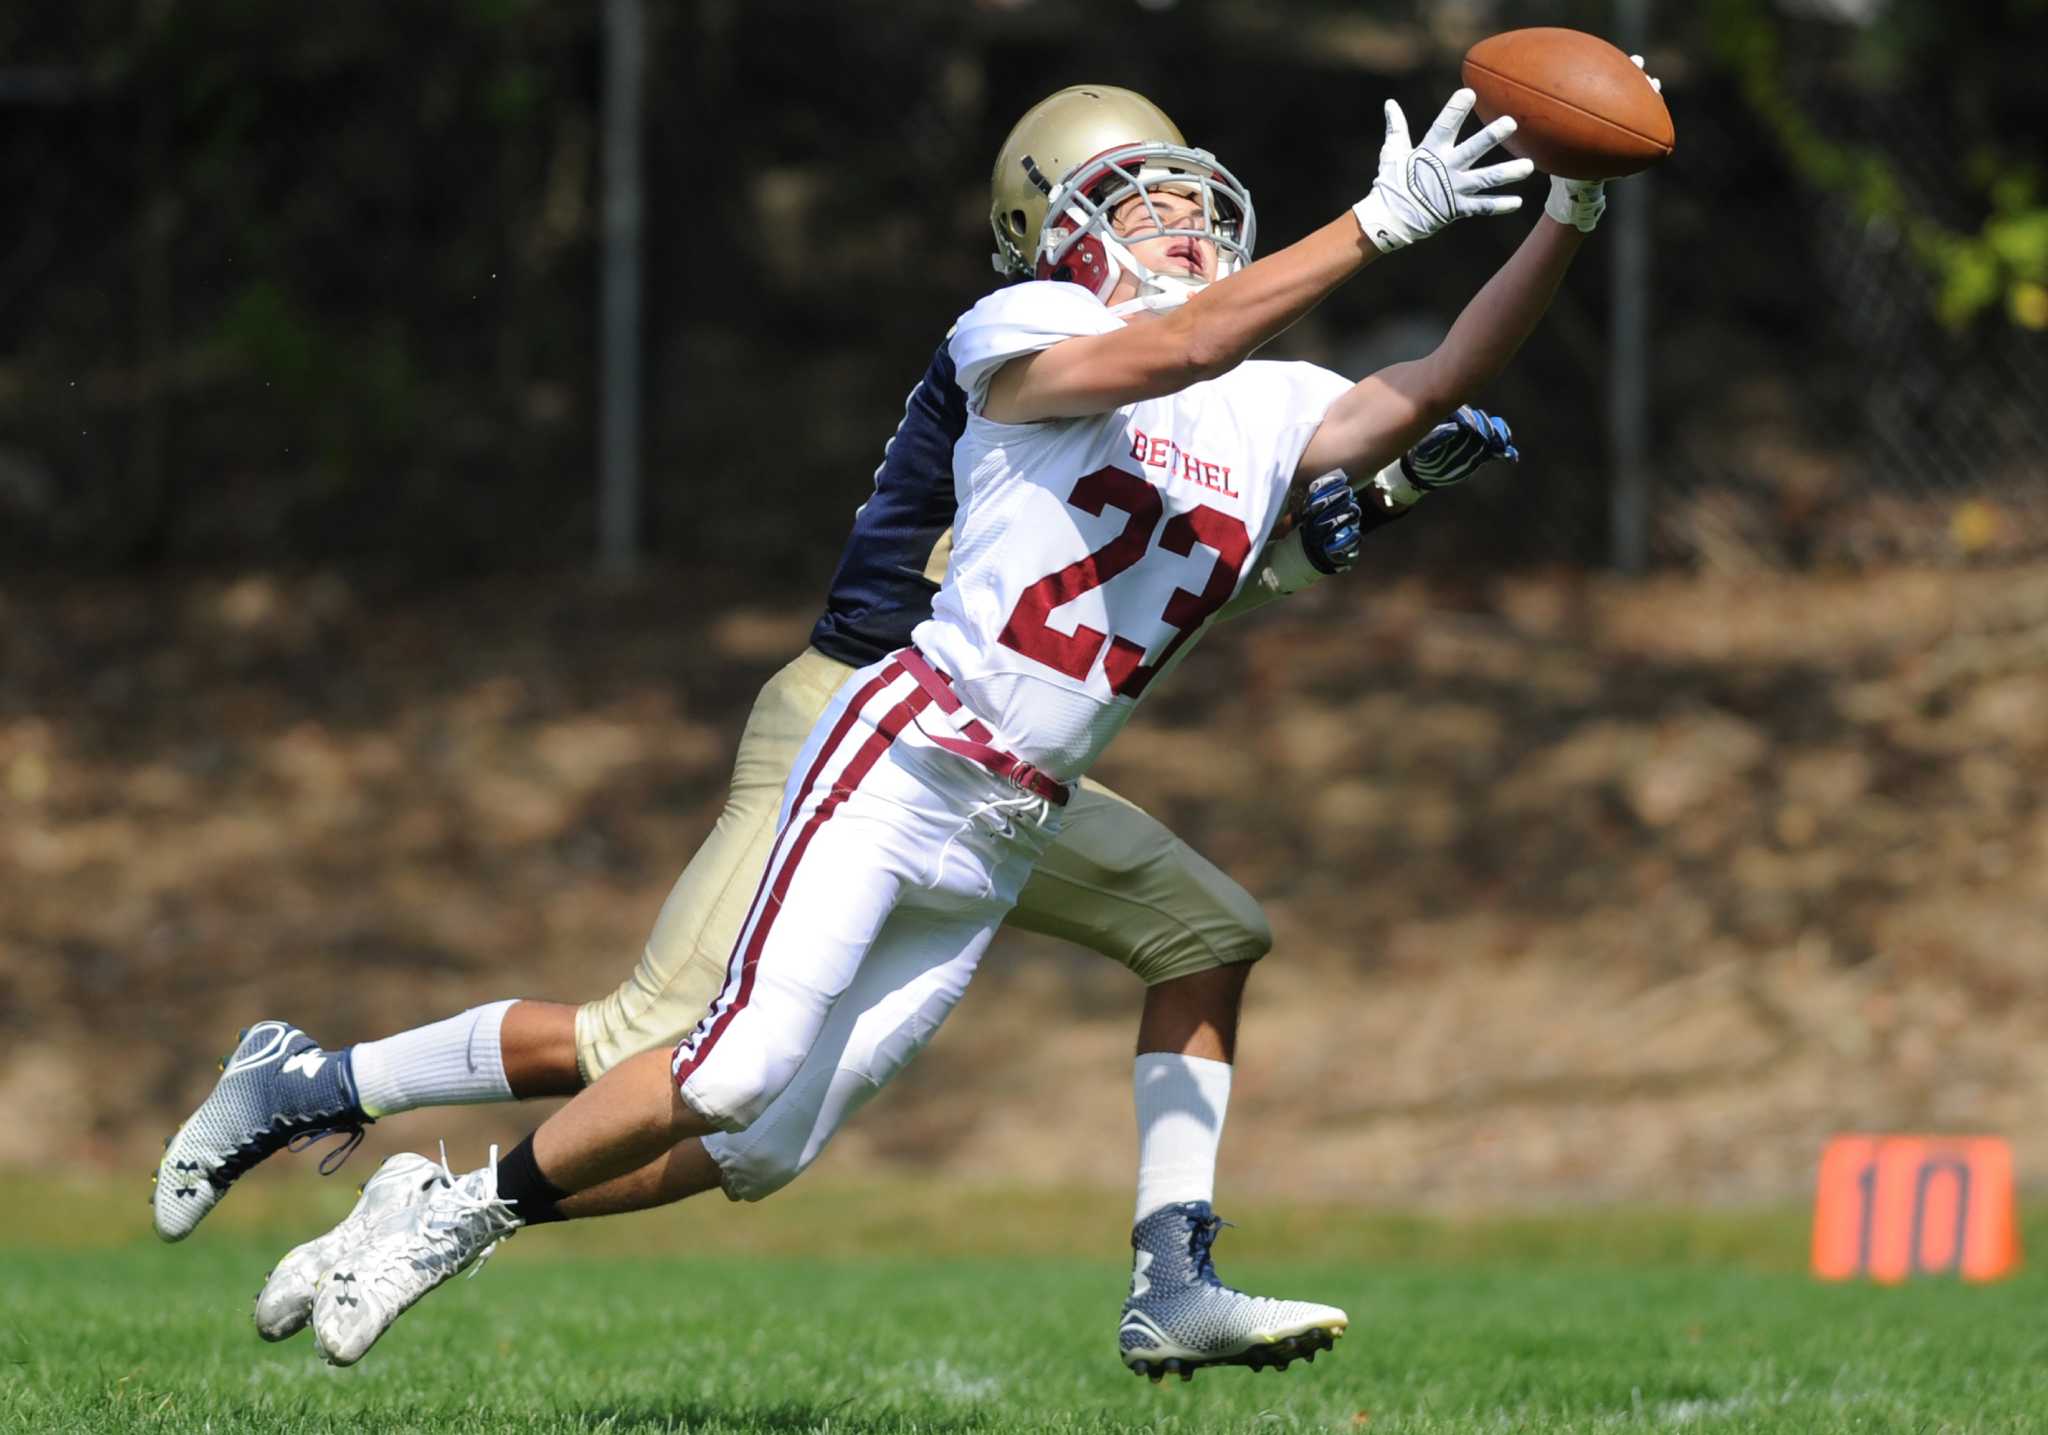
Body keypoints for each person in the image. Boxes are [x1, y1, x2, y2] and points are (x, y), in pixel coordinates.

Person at [156, 79, 1567, 1377]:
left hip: (1019, 785)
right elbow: (1166, 364)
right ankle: (327, 1092)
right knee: (670, 1042)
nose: (1180, 219)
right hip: (873, 712)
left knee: (776, 1127)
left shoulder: (1251, 405)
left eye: (1191, 194)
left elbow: (1176, 574)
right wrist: (1377, 227)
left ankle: (1170, 1273)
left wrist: (1569, 218)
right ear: (1058, 237)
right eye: (1137, 199)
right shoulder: (1031, 333)